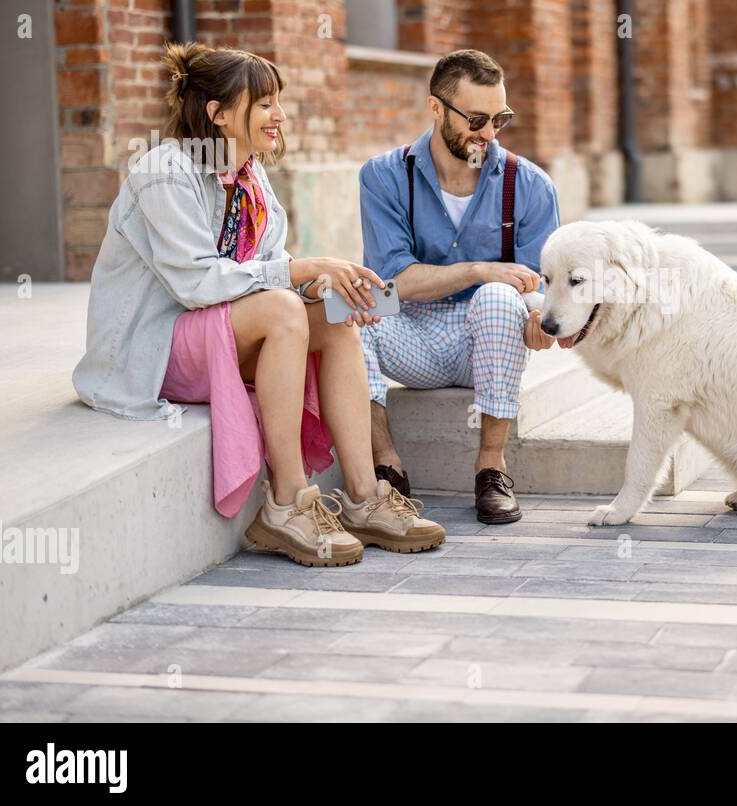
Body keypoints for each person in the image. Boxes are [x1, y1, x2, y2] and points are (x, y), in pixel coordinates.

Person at [72, 41, 444, 567]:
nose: (279, 115)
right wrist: (301, 273)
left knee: (334, 318)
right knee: (284, 309)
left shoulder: (250, 178)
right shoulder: (163, 171)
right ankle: (285, 503)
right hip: (154, 346)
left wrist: (324, 287)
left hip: (222, 334)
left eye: (277, 102)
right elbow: (196, 284)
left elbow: (271, 267)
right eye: (264, 103)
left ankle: (365, 498)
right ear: (218, 114)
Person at [358, 49, 561, 524]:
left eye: (500, 119)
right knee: (351, 303)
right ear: (435, 108)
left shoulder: (530, 185)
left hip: (487, 341)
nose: (489, 134)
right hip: (411, 338)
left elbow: (536, 289)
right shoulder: (384, 176)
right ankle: (386, 466)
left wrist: (539, 322)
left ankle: (492, 468)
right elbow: (395, 281)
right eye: (476, 119)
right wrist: (479, 269)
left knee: (498, 297)